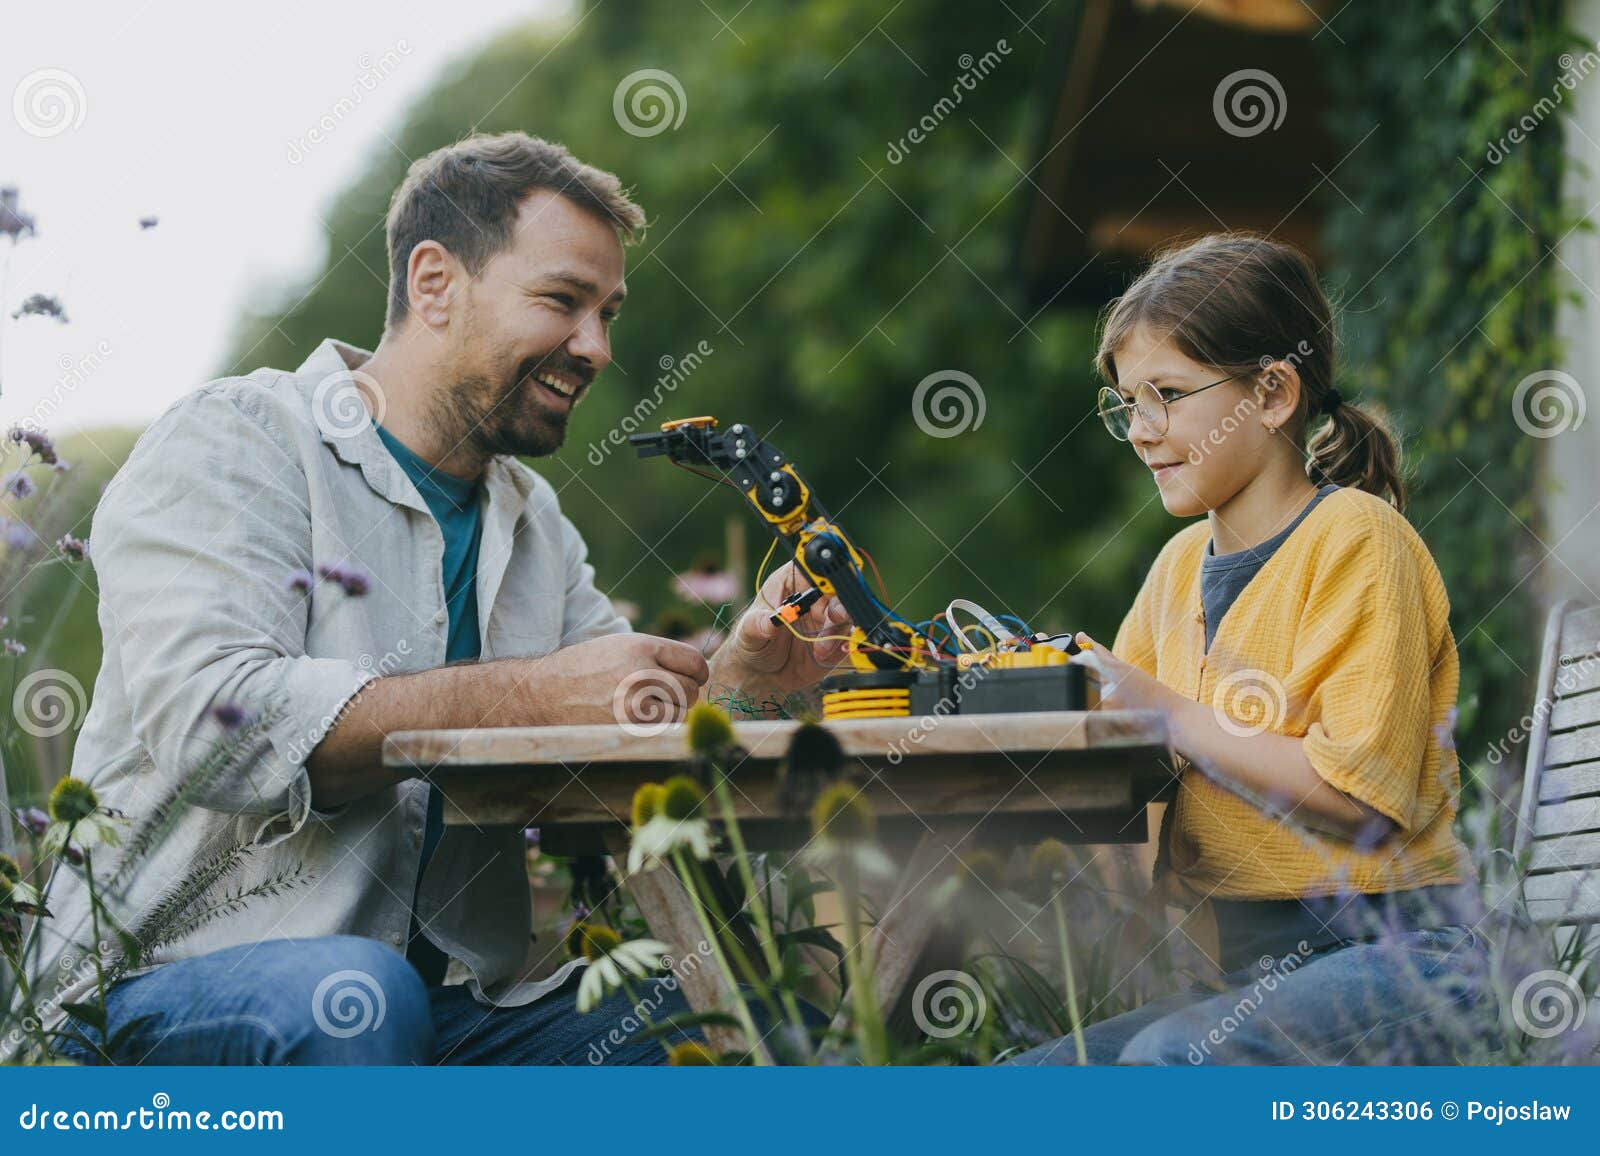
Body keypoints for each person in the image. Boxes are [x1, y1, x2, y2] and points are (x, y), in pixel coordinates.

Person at [33, 132, 849, 1065]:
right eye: (562, 302)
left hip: (449, 1012)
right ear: (434, 284)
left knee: (716, 1024)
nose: (597, 347)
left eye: (609, 313)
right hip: (160, 996)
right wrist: (535, 694)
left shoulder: (532, 519)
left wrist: (742, 678)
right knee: (355, 997)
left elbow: (629, 746)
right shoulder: (235, 443)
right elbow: (220, 734)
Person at [1014, 233, 1493, 1065]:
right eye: (1127, 403)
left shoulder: (1359, 540)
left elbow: (1362, 799)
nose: (1141, 430)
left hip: (1403, 961)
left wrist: (1162, 710)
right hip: (1244, 978)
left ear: (1271, 393)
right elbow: (1131, 775)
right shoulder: (1174, 572)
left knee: (1165, 1063)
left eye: (1166, 394)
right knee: (1021, 1089)